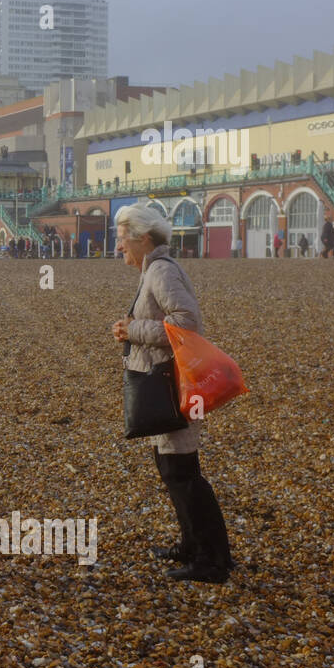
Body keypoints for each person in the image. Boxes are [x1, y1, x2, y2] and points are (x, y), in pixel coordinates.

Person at [112, 203, 232, 583]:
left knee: (183, 472)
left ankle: (212, 561)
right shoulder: (155, 268)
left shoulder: (161, 271)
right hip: (164, 381)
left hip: (172, 383)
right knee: (172, 469)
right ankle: (192, 546)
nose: (119, 248)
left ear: (143, 238)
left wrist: (134, 331)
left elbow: (187, 323)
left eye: (121, 239)